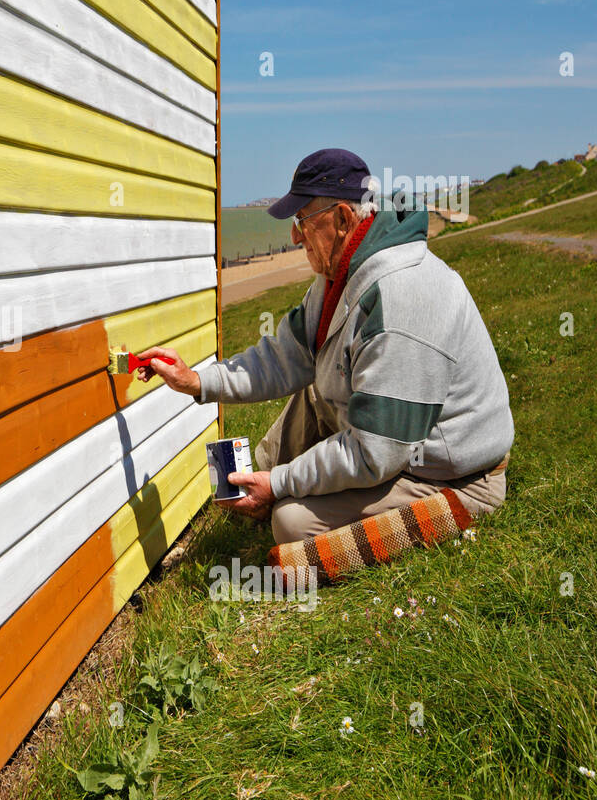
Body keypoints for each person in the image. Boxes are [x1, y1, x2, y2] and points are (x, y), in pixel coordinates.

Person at [140, 148, 514, 545]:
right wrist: (196, 380)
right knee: (314, 393)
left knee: (292, 524)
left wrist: (282, 484)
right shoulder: (340, 274)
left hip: (446, 473)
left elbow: (377, 452)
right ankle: (253, 493)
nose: (294, 235)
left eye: (302, 220)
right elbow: (284, 358)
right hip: (394, 449)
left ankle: (274, 496)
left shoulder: (400, 295)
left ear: (341, 218)